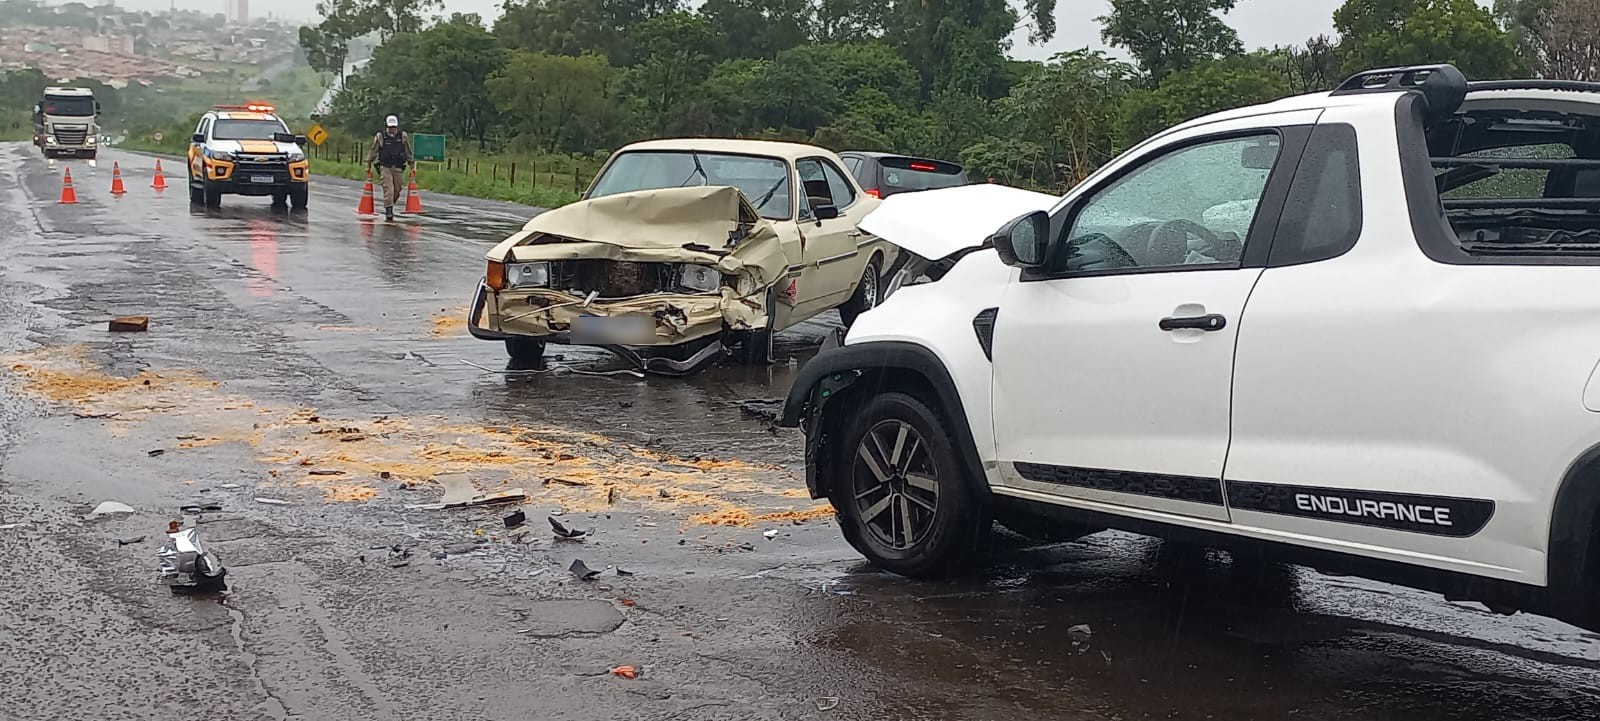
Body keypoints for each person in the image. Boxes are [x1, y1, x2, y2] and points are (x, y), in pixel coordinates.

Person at [368, 114, 413, 220]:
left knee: (397, 189)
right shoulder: (381, 137)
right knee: (389, 189)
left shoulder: (403, 136)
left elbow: (408, 151)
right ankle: (389, 211)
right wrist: (368, 164)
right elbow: (373, 151)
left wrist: (412, 165)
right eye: (390, 127)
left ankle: (390, 204)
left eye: (394, 127)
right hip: (385, 167)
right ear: (387, 126)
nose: (392, 129)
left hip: (398, 167)